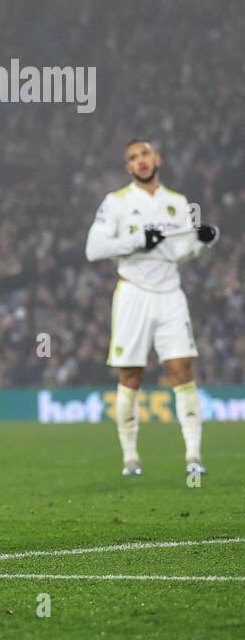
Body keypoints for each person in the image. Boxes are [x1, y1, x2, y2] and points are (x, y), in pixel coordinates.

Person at [85, 139, 218, 477]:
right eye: (133, 158)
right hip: (134, 293)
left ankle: (193, 456)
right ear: (128, 167)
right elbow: (93, 249)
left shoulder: (177, 202)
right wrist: (137, 241)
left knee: (182, 368)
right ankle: (130, 458)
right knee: (131, 374)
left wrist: (203, 243)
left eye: (145, 154)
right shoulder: (116, 202)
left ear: (157, 159)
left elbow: (182, 251)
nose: (140, 161)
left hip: (170, 293)